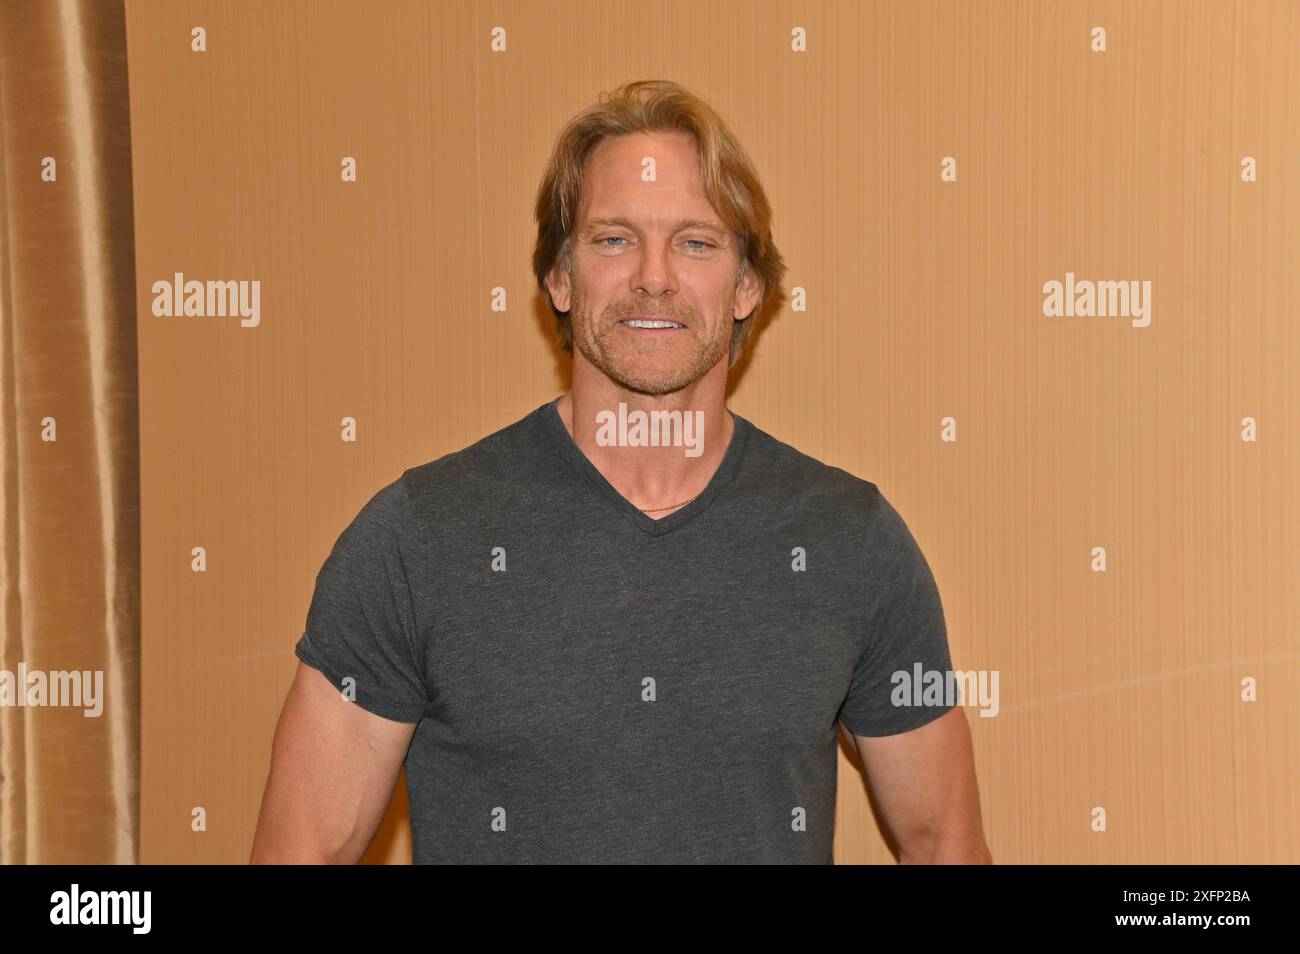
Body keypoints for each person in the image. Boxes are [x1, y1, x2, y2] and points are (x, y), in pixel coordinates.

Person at [250, 79, 992, 865]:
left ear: (747, 287)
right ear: (560, 278)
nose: (654, 276)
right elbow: (301, 853)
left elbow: (945, 842)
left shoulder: (852, 541)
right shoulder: (417, 541)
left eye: (696, 242)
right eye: (613, 239)